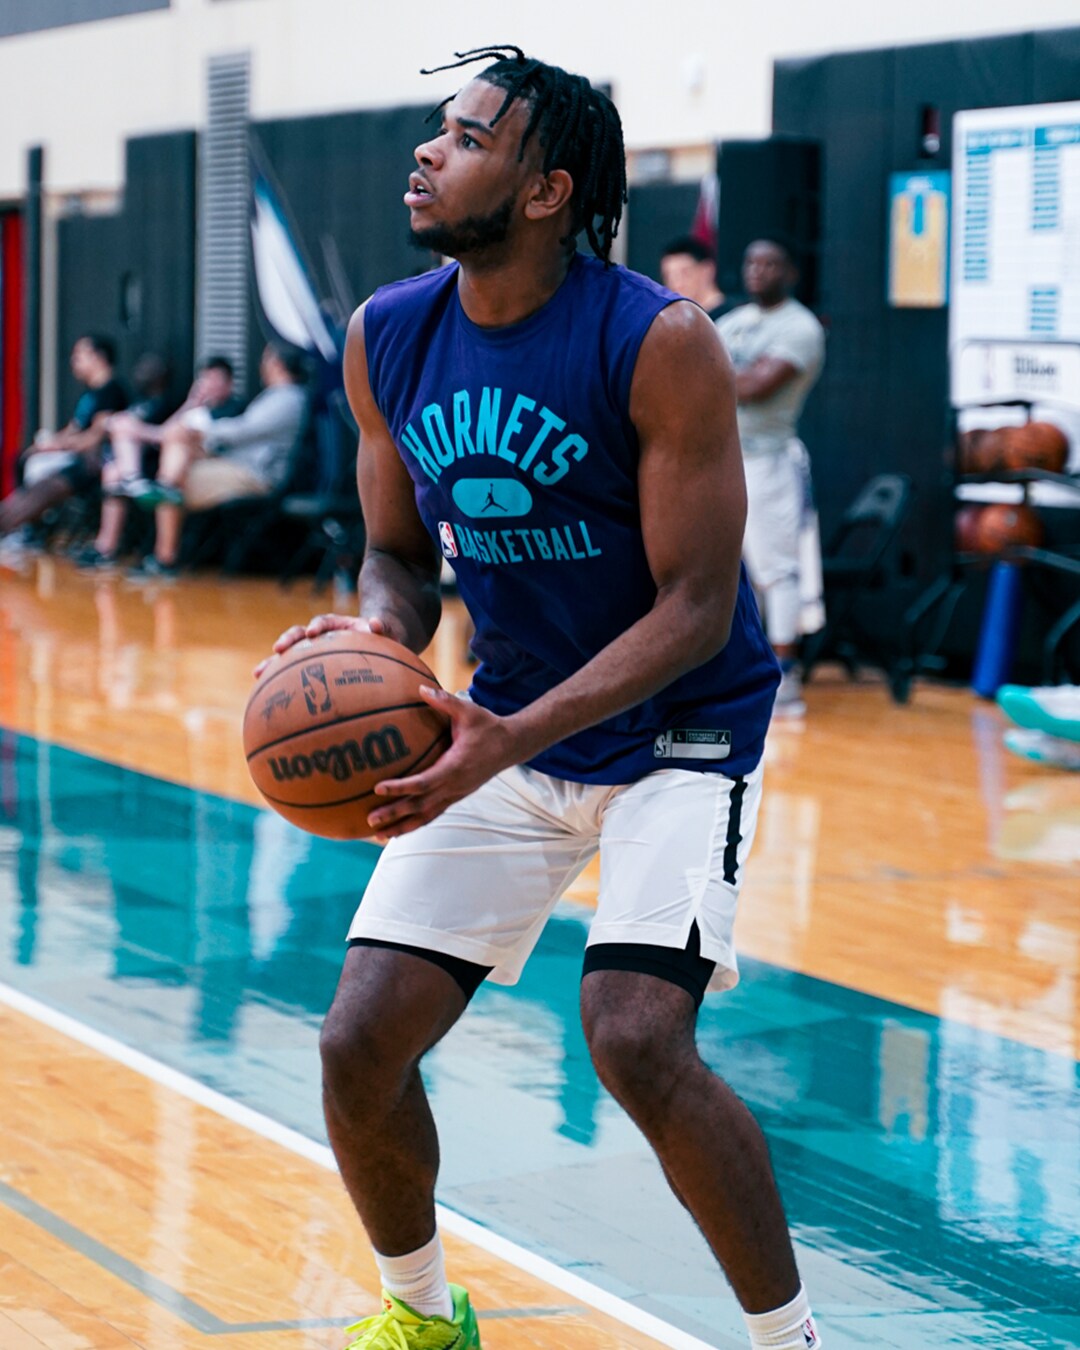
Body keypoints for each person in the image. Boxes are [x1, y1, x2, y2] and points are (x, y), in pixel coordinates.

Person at [258, 47, 821, 1350]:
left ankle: (788, 1341)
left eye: (462, 137)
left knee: (634, 1035)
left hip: (681, 730)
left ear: (545, 190)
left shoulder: (658, 342)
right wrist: (373, 636)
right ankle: (422, 1317)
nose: (426, 151)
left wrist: (505, 732)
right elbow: (398, 556)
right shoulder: (388, 335)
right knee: (357, 1042)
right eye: (434, 131)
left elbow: (693, 609)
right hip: (501, 719)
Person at [716, 239, 826, 717]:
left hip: (769, 462)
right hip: (720, 459)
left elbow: (758, 387)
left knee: (775, 569)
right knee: (722, 569)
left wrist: (711, 372)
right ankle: (737, 670)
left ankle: (786, 679)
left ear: (791, 272)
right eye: (752, 261)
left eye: (770, 263)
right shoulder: (735, 321)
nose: (758, 271)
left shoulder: (800, 327)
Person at [126, 342, 308, 580]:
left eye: (265, 359)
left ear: (276, 363)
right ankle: (166, 486)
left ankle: (165, 557)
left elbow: (244, 430)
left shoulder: (288, 398)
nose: (261, 365)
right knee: (178, 443)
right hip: (239, 465)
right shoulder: (278, 396)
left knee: (175, 483)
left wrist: (202, 433)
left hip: (256, 476)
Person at [74, 355, 243, 570]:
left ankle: (135, 483)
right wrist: (191, 404)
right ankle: (106, 548)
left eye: (215, 379)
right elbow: (170, 431)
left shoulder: (233, 409)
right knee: (113, 470)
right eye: (205, 379)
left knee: (122, 425)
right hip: (168, 454)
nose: (209, 385)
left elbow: (175, 436)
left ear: (229, 384)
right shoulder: (196, 409)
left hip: (195, 462)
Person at [0, 333, 127, 543]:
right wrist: (47, 445)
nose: (73, 361)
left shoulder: (112, 393)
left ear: (98, 357)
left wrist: (57, 446)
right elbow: (73, 429)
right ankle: (18, 528)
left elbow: (93, 439)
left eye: (79, 355)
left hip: (93, 466)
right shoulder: (90, 394)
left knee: (43, 491)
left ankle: (15, 528)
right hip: (75, 463)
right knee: (32, 478)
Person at [660, 234, 732, 321]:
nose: (677, 284)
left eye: (685, 273)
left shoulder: (735, 316)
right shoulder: (675, 322)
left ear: (707, 270)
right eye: (668, 276)